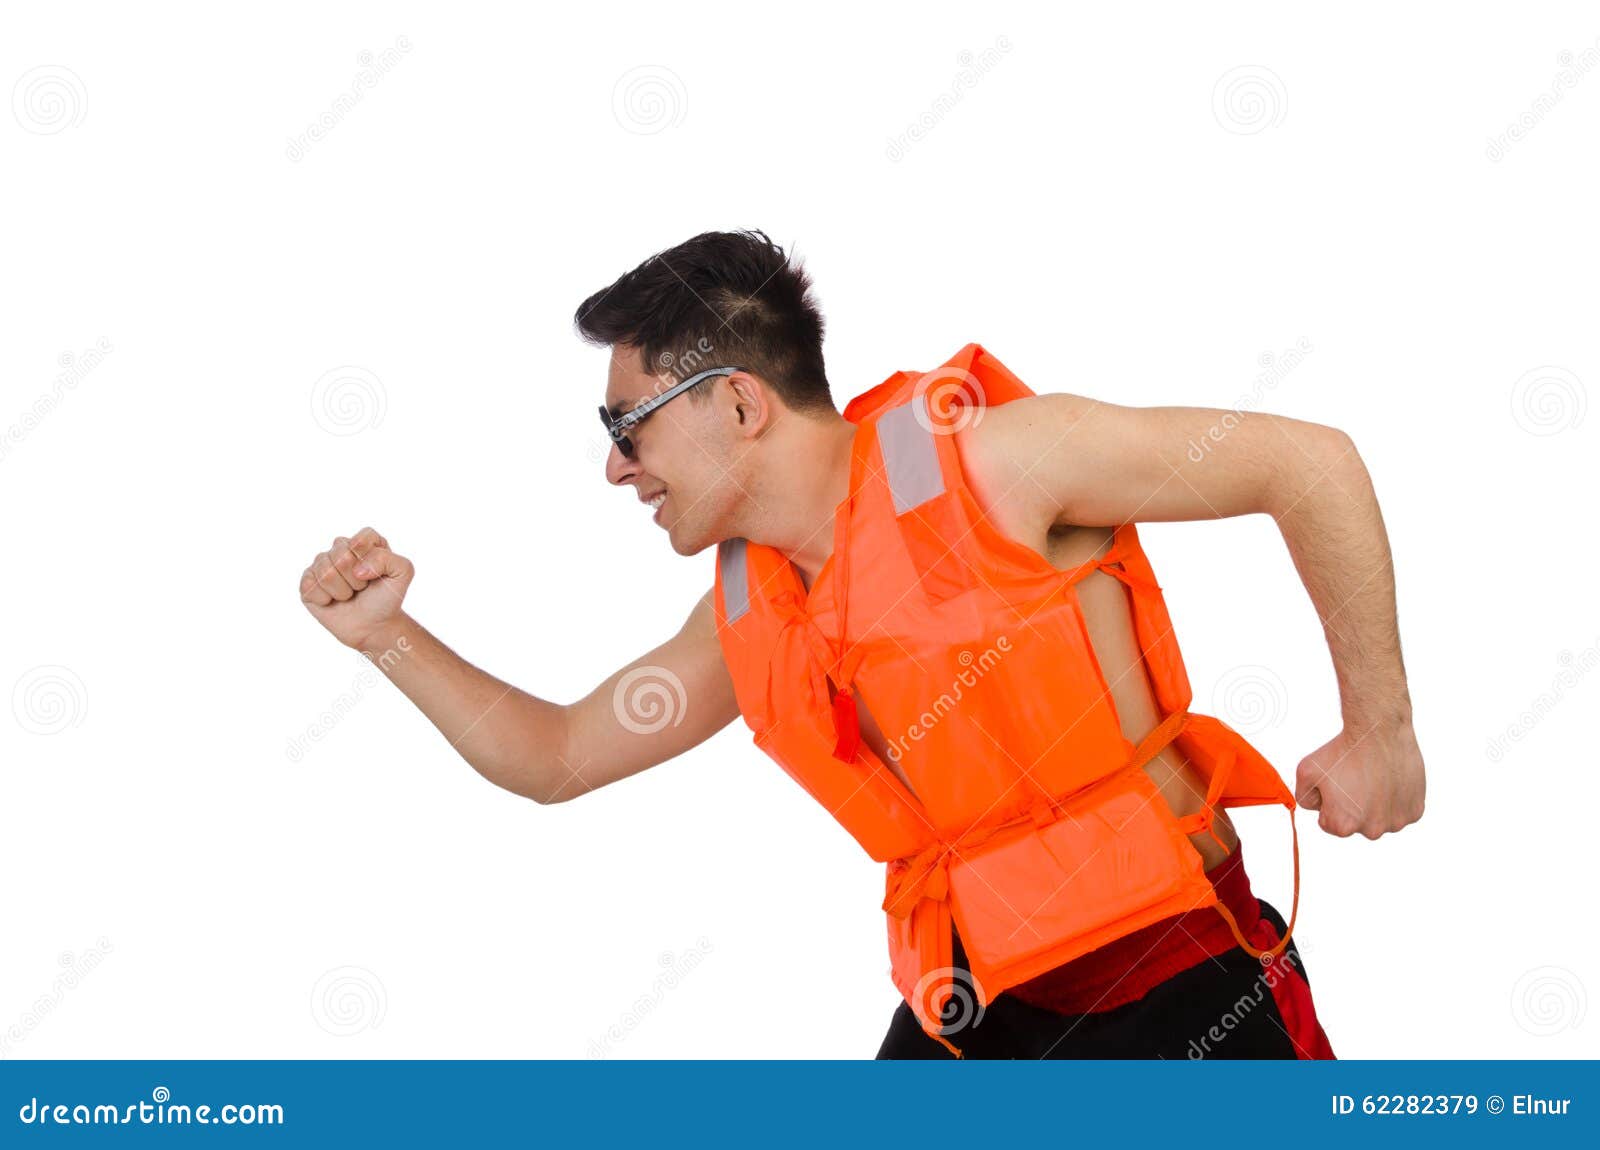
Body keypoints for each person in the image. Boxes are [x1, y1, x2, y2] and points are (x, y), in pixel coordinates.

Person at [298, 229, 1425, 1058]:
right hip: (975, 1005)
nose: (615, 467)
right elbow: (552, 758)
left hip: (1180, 986)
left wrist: (1381, 731)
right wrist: (386, 637)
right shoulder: (743, 615)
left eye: (627, 426)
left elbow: (1306, 463)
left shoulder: (1000, 462)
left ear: (737, 402)